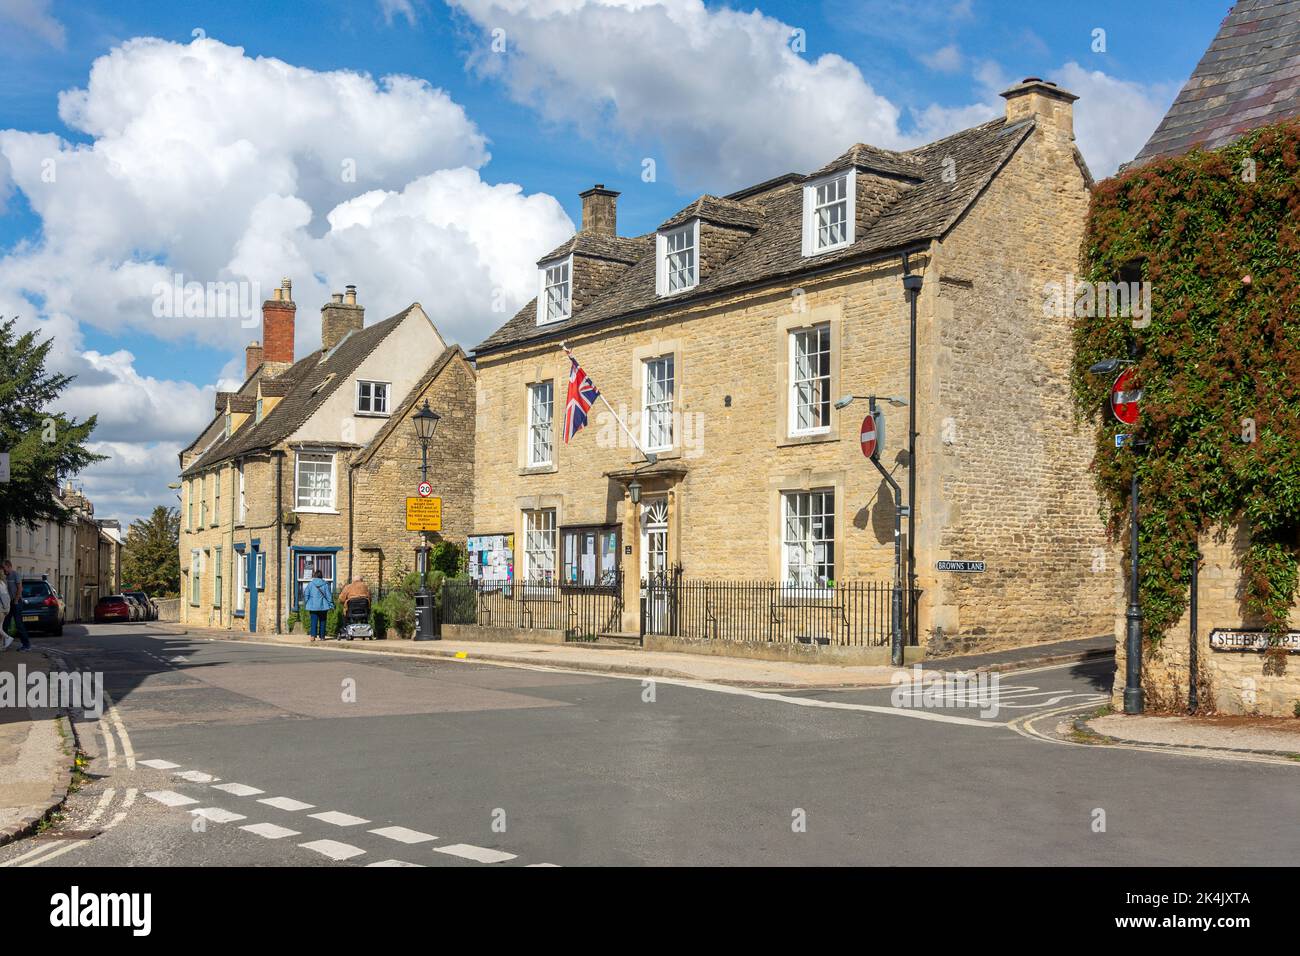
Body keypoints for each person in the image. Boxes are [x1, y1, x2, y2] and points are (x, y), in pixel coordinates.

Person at [3, 560, 30, 652]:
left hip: (17, 603)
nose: (3, 570)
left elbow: (20, 588)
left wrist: (16, 600)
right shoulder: (5, 576)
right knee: (5, 624)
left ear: (9, 566)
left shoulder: (15, 574)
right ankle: (4, 644)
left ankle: (26, 645)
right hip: (8, 603)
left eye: (4, 568)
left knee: (19, 624)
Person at [302, 568, 334, 642]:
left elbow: (306, 594)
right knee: (323, 621)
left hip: (313, 606)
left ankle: (313, 636)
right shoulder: (325, 584)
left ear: (314, 576)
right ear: (321, 576)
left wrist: (306, 602)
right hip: (323, 606)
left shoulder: (310, 584)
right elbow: (329, 596)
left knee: (313, 621)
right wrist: (331, 604)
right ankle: (322, 636)